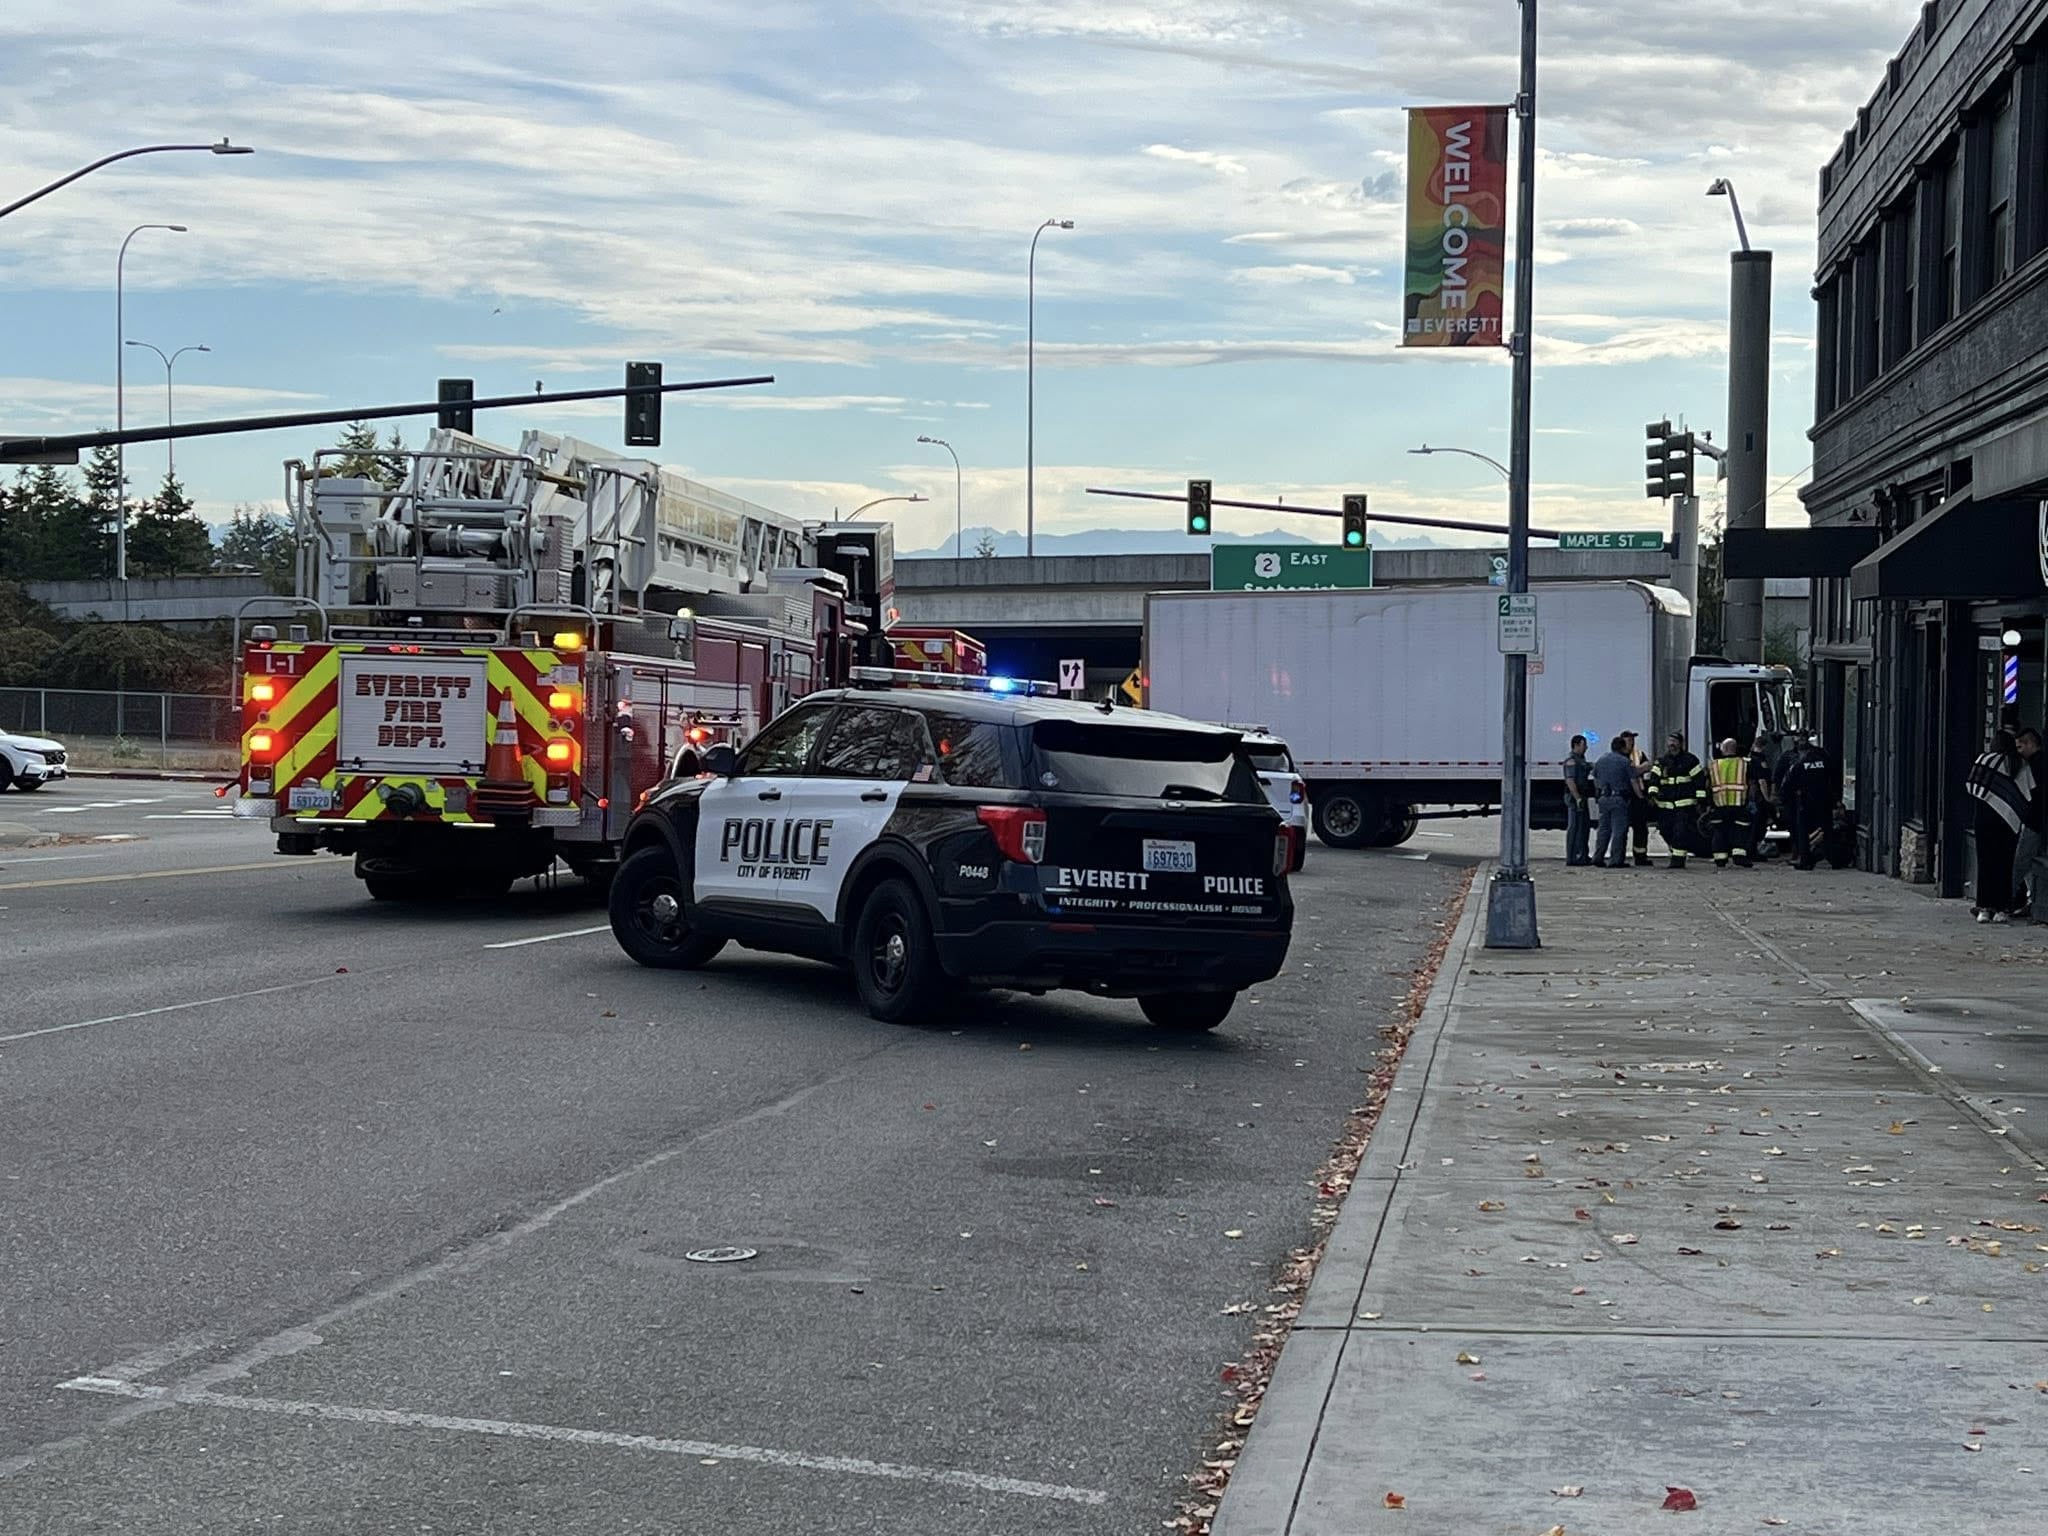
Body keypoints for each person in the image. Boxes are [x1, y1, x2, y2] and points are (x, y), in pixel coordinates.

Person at [1964, 728, 2033, 922]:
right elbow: (2027, 793)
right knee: (2005, 865)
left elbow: (1972, 786)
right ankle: (2003, 908)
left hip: (1984, 820)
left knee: (1986, 864)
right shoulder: (2020, 764)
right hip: (2008, 822)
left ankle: (1985, 908)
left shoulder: (1984, 760)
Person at [1644, 731, 1707, 870]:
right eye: (1669, 741)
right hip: (1665, 805)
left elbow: (1699, 781)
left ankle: (1678, 861)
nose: (1671, 744)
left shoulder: (1690, 760)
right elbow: (1654, 780)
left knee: (1680, 832)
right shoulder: (1661, 762)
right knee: (1665, 830)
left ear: (1680, 744)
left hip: (1684, 804)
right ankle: (1677, 852)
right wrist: (1652, 795)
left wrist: (1701, 800)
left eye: (1674, 741)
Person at [1780, 733, 1834, 871]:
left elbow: (1788, 783)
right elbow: (1832, 775)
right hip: (1824, 799)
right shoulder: (1823, 757)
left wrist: (1784, 799)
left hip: (1805, 800)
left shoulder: (1800, 764)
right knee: (1825, 827)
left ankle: (1806, 859)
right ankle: (1830, 856)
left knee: (1802, 830)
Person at [1591, 735, 1637, 870]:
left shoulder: (1601, 760)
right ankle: (1616, 860)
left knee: (1603, 830)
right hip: (1618, 799)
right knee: (1619, 830)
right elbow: (1633, 780)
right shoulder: (1624, 761)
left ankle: (1598, 857)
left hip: (1604, 798)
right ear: (1622, 747)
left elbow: (1596, 779)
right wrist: (1640, 796)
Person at [1706, 736, 1753, 869]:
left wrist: (1708, 804)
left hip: (1719, 804)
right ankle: (1739, 857)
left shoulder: (1714, 765)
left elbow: (1708, 786)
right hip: (1739, 803)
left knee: (1719, 831)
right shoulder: (1744, 764)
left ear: (1723, 749)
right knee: (1740, 830)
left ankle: (1720, 859)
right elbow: (1752, 783)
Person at [2014, 728, 2045, 917]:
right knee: (2030, 862)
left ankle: (2002, 900)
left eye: (2020, 746)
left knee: (2020, 862)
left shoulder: (2032, 766)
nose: (2018, 751)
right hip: (2037, 819)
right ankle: (2031, 897)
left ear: (2029, 744)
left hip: (2033, 820)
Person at [1621, 730, 1654, 866]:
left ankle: (1640, 857)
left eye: (1633, 740)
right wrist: (1638, 770)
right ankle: (1619, 856)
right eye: (1629, 740)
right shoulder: (1619, 756)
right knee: (1621, 829)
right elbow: (1633, 772)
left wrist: (1636, 770)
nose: (1632, 742)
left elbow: (1649, 766)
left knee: (1640, 828)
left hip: (1638, 795)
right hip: (1625, 795)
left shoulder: (1638, 754)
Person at [1562, 734, 1594, 867]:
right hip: (1576, 798)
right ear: (1576, 745)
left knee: (1583, 827)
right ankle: (1573, 857)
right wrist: (1578, 798)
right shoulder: (1571, 761)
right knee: (1575, 827)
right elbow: (1570, 781)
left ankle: (1582, 855)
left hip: (1582, 796)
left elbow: (1588, 767)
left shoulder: (1581, 759)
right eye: (1583, 745)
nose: (1586, 747)